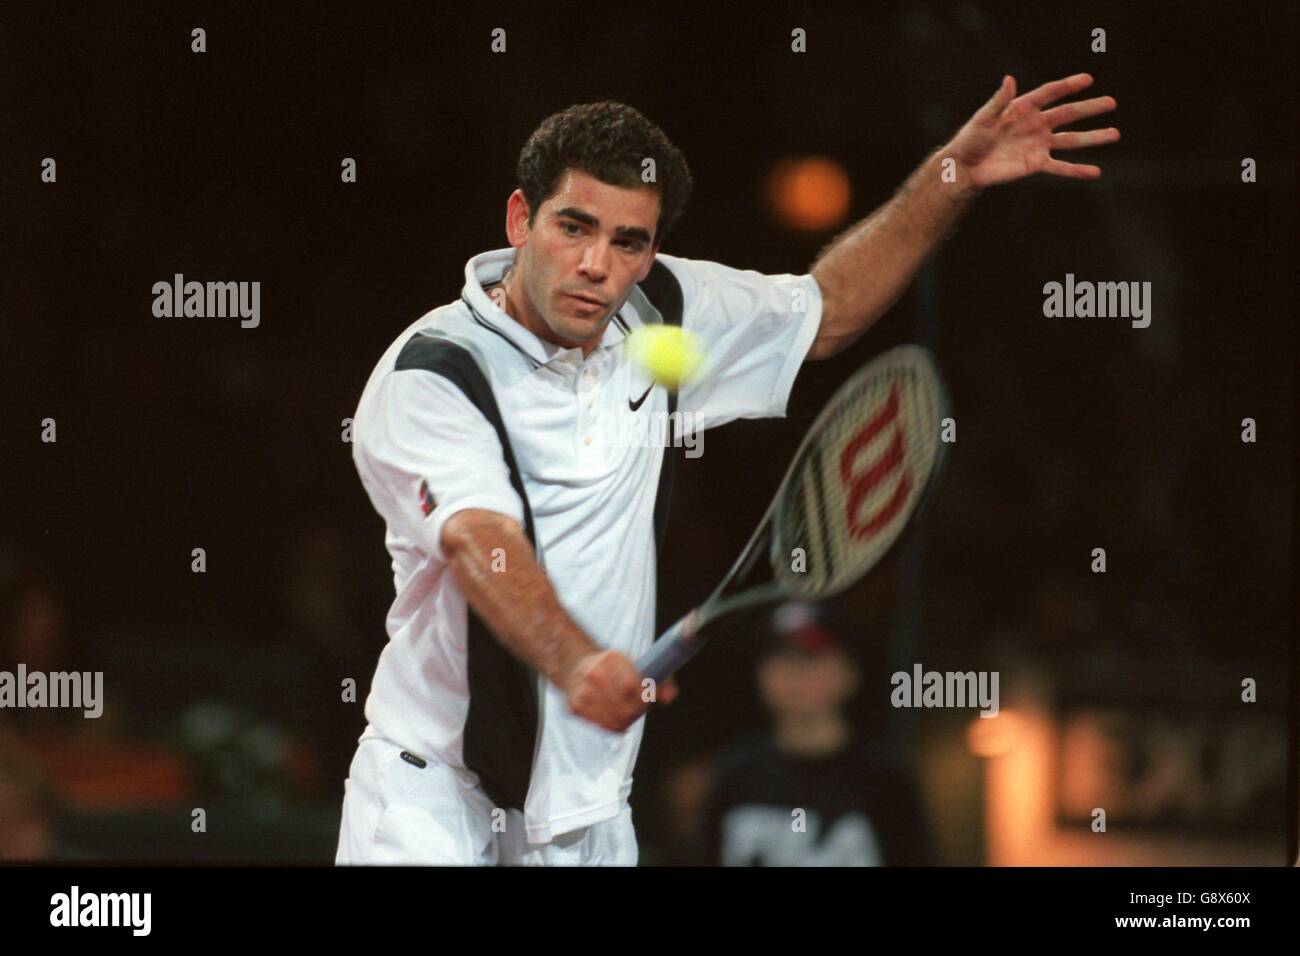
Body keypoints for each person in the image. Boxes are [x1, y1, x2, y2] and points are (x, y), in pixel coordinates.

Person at [336, 79, 1118, 866]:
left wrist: (954, 172)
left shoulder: (660, 309)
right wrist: (575, 663)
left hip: (586, 813)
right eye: (574, 227)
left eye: (629, 241)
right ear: (520, 220)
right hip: (433, 797)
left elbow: (831, 306)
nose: (598, 265)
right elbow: (479, 540)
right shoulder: (435, 371)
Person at [697, 603, 934, 866]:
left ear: (848, 672)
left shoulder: (884, 782)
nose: (792, 672)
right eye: (778, 657)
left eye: (810, 657)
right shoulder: (735, 776)